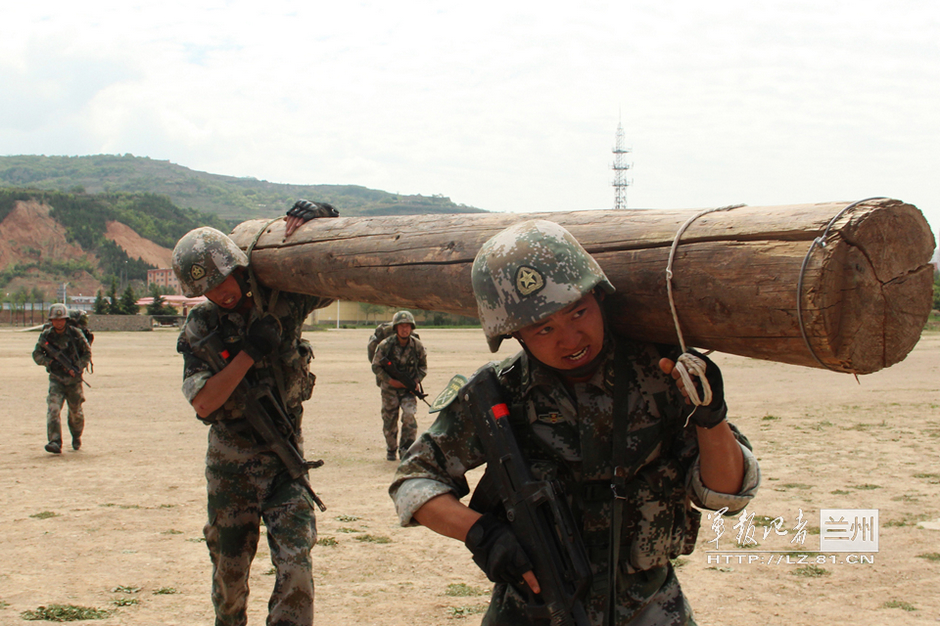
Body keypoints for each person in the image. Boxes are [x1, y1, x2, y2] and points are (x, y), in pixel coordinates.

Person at [390, 220, 761, 626]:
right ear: (515, 335)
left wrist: (710, 417)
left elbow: (725, 496)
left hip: (650, 606)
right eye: (543, 328)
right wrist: (483, 534)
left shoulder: (662, 375)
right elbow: (414, 481)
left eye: (578, 312)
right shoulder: (499, 395)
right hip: (535, 607)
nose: (570, 340)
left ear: (599, 296)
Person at [174, 199, 336, 626]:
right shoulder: (200, 328)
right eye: (209, 287)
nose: (220, 291)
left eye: (224, 278)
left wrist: (323, 217)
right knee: (230, 582)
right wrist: (248, 354)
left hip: (286, 464)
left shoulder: (280, 302)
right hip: (232, 473)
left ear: (239, 267)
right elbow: (204, 402)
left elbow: (332, 276)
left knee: (297, 569)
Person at [32, 303, 92, 454]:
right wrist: (50, 363)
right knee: (53, 410)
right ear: (51, 320)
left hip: (73, 381)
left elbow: (87, 353)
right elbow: (37, 354)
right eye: (55, 319)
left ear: (66, 319)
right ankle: (54, 441)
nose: (58, 322)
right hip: (56, 379)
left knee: (75, 413)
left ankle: (76, 436)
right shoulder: (47, 335)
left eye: (61, 319)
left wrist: (78, 367)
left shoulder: (75, 333)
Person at [371, 310, 428, 461]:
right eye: (401, 326)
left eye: (407, 326)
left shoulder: (417, 346)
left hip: (408, 390)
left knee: (409, 416)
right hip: (389, 390)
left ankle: (406, 450)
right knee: (389, 420)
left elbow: (423, 367)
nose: (404, 329)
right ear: (396, 328)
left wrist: (416, 381)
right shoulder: (385, 345)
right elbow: (376, 367)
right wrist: (390, 381)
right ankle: (391, 449)